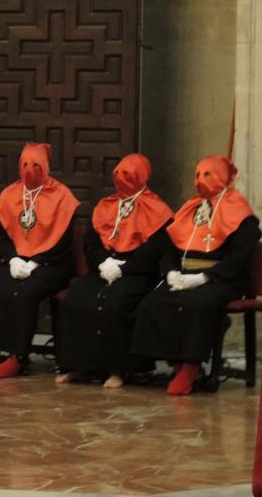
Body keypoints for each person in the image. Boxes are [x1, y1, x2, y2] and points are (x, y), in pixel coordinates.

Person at [131, 155, 261, 395]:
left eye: (207, 175)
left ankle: (191, 366)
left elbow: (238, 258)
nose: (200, 180)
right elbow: (170, 247)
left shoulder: (241, 214)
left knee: (198, 303)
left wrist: (205, 277)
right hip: (183, 273)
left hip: (222, 279)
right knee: (154, 302)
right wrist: (170, 272)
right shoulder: (191, 207)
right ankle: (176, 363)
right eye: (197, 174)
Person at [55, 154, 173, 388]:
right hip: (105, 267)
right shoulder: (106, 206)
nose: (122, 178)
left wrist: (126, 267)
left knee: (116, 305)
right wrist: (102, 263)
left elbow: (156, 249)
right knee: (76, 300)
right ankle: (79, 366)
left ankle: (119, 370)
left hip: (137, 272)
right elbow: (91, 242)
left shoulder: (158, 210)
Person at [0, 142, 77, 379]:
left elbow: (63, 240)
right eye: (24, 164)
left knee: (24, 293)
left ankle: (17, 358)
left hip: (52, 264)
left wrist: (36, 262)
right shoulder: (9, 194)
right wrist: (11, 259)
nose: (29, 169)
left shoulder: (62, 196)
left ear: (45, 166)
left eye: (35, 165)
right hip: (17, 261)